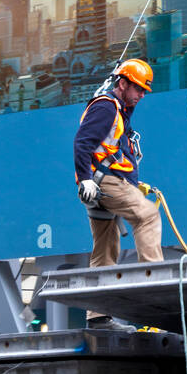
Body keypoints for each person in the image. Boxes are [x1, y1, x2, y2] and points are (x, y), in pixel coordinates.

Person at [74, 58, 163, 330]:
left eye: (144, 91)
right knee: (147, 216)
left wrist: (133, 184)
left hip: (104, 183)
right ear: (122, 84)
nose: (141, 95)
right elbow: (82, 142)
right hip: (105, 184)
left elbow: (112, 150)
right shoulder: (106, 107)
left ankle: (98, 317)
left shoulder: (118, 109)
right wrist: (85, 179)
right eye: (137, 89)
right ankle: (155, 297)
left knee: (104, 250)